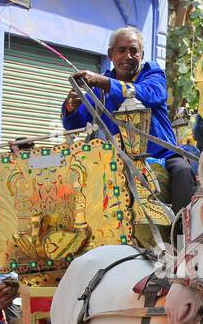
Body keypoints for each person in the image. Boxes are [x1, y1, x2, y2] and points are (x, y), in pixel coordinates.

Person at [61, 27, 195, 214]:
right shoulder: (100, 88)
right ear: (111, 54)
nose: (128, 56)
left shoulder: (152, 74)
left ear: (142, 54)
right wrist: (71, 107)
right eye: (121, 50)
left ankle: (183, 234)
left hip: (163, 155)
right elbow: (75, 124)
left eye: (134, 50)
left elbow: (151, 94)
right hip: (119, 160)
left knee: (183, 171)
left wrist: (104, 83)